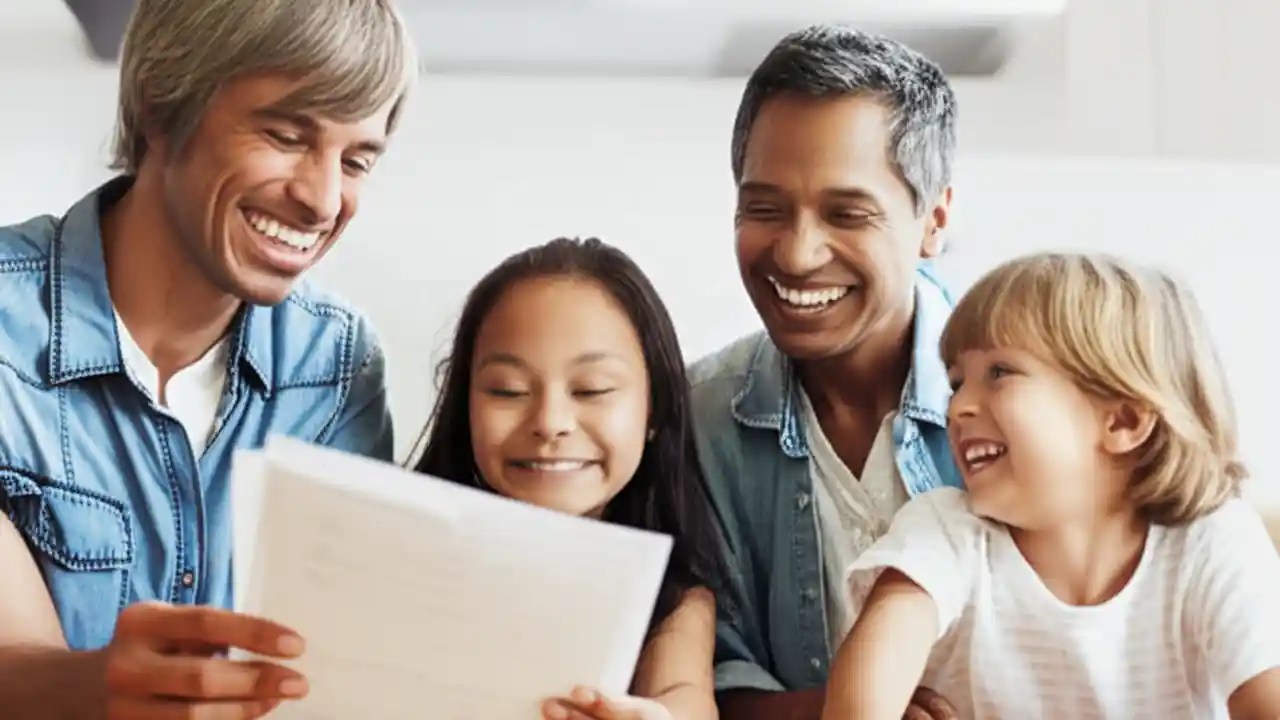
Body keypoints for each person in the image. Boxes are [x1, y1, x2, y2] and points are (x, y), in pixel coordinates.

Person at [0, 0, 416, 716]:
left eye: (355, 161)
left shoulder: (338, 365)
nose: (322, 200)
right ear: (161, 105)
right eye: (286, 135)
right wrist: (97, 689)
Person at [823, 253, 1280, 719]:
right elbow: (866, 691)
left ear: (1122, 420)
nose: (957, 406)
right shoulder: (946, 531)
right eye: (957, 381)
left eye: (999, 373)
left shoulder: (1211, 543)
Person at [688, 24, 963, 719]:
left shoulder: (1045, 397)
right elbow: (701, 677)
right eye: (764, 208)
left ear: (933, 220)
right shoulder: (697, 419)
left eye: (847, 213)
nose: (799, 253)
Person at [415, 237, 725, 720]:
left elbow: (685, 700)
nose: (550, 421)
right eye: (508, 390)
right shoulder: (409, 551)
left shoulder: (672, 597)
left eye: (592, 389)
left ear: (654, 410)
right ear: (464, 405)